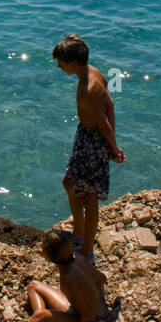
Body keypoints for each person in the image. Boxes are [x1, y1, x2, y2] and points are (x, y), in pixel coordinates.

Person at [51, 34, 125, 258]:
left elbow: (103, 125)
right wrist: (110, 144)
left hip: (91, 143)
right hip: (87, 138)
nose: (59, 67)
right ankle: (80, 232)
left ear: (72, 64)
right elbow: (110, 105)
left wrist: (113, 148)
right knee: (69, 183)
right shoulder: (94, 72)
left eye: (61, 64)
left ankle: (86, 249)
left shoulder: (88, 89)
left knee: (89, 199)